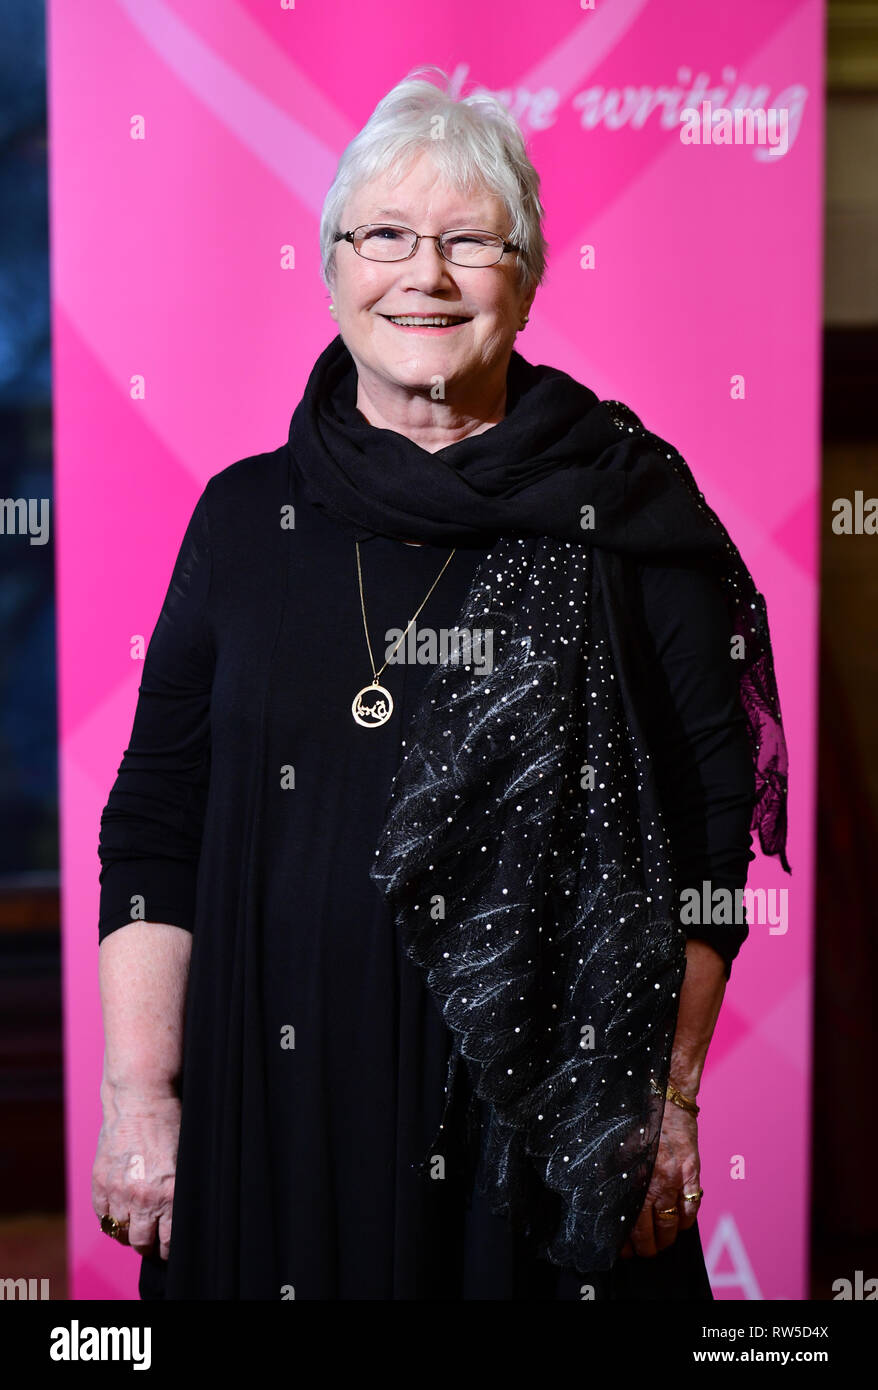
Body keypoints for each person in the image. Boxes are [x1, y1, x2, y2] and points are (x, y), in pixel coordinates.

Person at [92, 67, 789, 1301]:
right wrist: (138, 1097)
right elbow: (155, 820)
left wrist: (666, 1107)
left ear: (523, 278)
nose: (423, 276)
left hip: (537, 1131)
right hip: (274, 1112)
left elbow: (705, 850)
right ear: (331, 269)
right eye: (386, 237)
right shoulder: (244, 519)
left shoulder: (626, 520)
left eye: (470, 241)